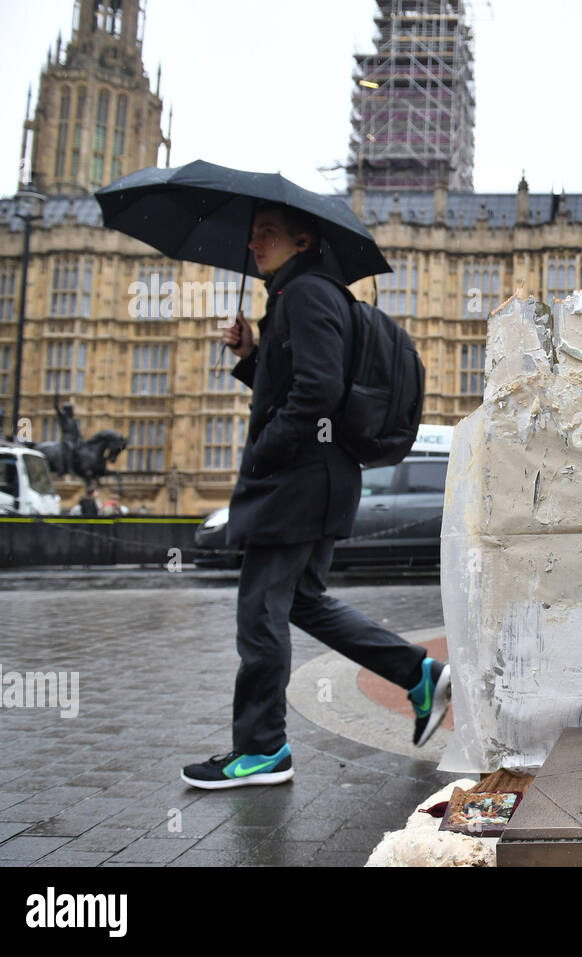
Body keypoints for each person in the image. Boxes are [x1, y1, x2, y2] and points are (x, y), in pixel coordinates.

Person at [182, 203, 450, 790]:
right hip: (320, 474)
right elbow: (299, 383)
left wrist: (264, 452)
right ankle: (417, 671)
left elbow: (318, 390)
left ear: (303, 240)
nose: (255, 245)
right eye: (252, 236)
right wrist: (253, 356)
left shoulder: (304, 294)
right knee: (302, 600)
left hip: (299, 478)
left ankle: (262, 750)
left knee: (260, 614)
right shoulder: (301, 296)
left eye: (267, 234)